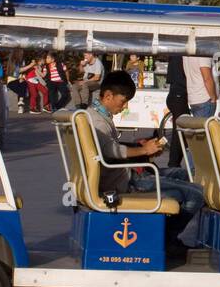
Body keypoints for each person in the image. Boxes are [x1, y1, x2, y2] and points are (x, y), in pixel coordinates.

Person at [87, 72, 204, 256]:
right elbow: (111, 151)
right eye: (123, 101)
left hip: (123, 173)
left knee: (186, 175)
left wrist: (139, 147)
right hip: (125, 181)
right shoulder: (97, 122)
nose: (125, 106)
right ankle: (167, 238)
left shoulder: (95, 116)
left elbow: (110, 149)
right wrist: (143, 151)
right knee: (196, 194)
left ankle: (168, 237)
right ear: (108, 95)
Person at [164, 53, 190, 168]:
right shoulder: (181, 55)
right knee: (179, 133)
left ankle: (174, 163)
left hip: (175, 94)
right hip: (179, 94)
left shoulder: (175, 53)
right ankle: (173, 164)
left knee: (180, 132)